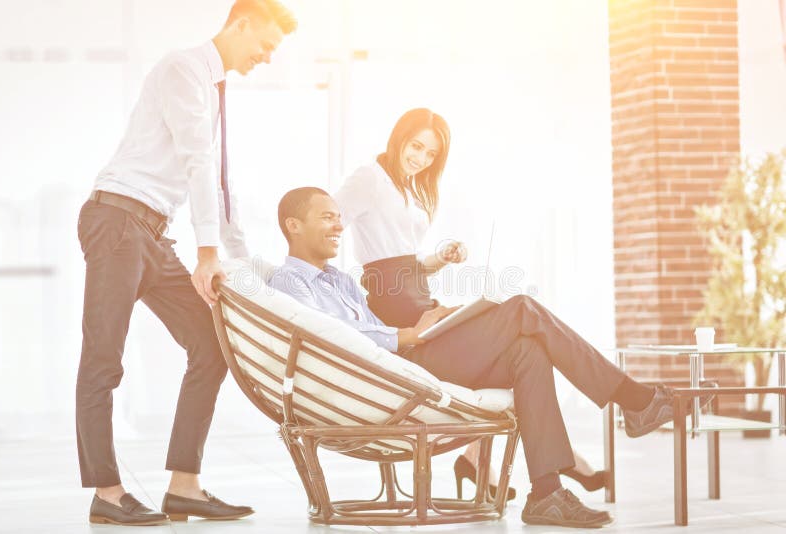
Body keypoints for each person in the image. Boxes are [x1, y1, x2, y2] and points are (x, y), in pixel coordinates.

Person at [268, 187, 699, 529]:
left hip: (406, 358)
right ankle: (636, 400)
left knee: (527, 350)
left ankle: (545, 492)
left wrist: (435, 321)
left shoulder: (338, 280)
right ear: (293, 224)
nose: (338, 225)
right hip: (395, 378)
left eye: (338, 217)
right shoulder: (291, 281)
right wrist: (407, 334)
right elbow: (335, 338)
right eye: (327, 217)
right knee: (521, 310)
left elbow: (369, 327)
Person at [75, 0, 296, 526]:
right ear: (240, 24)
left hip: (152, 232)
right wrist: (206, 255)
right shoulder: (183, 68)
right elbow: (198, 161)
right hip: (117, 219)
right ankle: (107, 494)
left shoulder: (213, 87)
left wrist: (240, 264)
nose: (266, 58)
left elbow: (219, 184)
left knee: (211, 345)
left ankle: (184, 486)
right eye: (264, 45)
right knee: (103, 360)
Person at [333, 108, 606, 497]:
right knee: (519, 314)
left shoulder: (407, 187)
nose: (421, 159)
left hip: (423, 306)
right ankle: (566, 449)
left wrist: (439, 257)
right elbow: (324, 219)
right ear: (398, 137)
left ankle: (496, 465)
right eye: (416, 147)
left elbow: (404, 258)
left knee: (526, 348)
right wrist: (329, 282)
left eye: (431, 155)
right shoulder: (369, 178)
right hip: (404, 320)